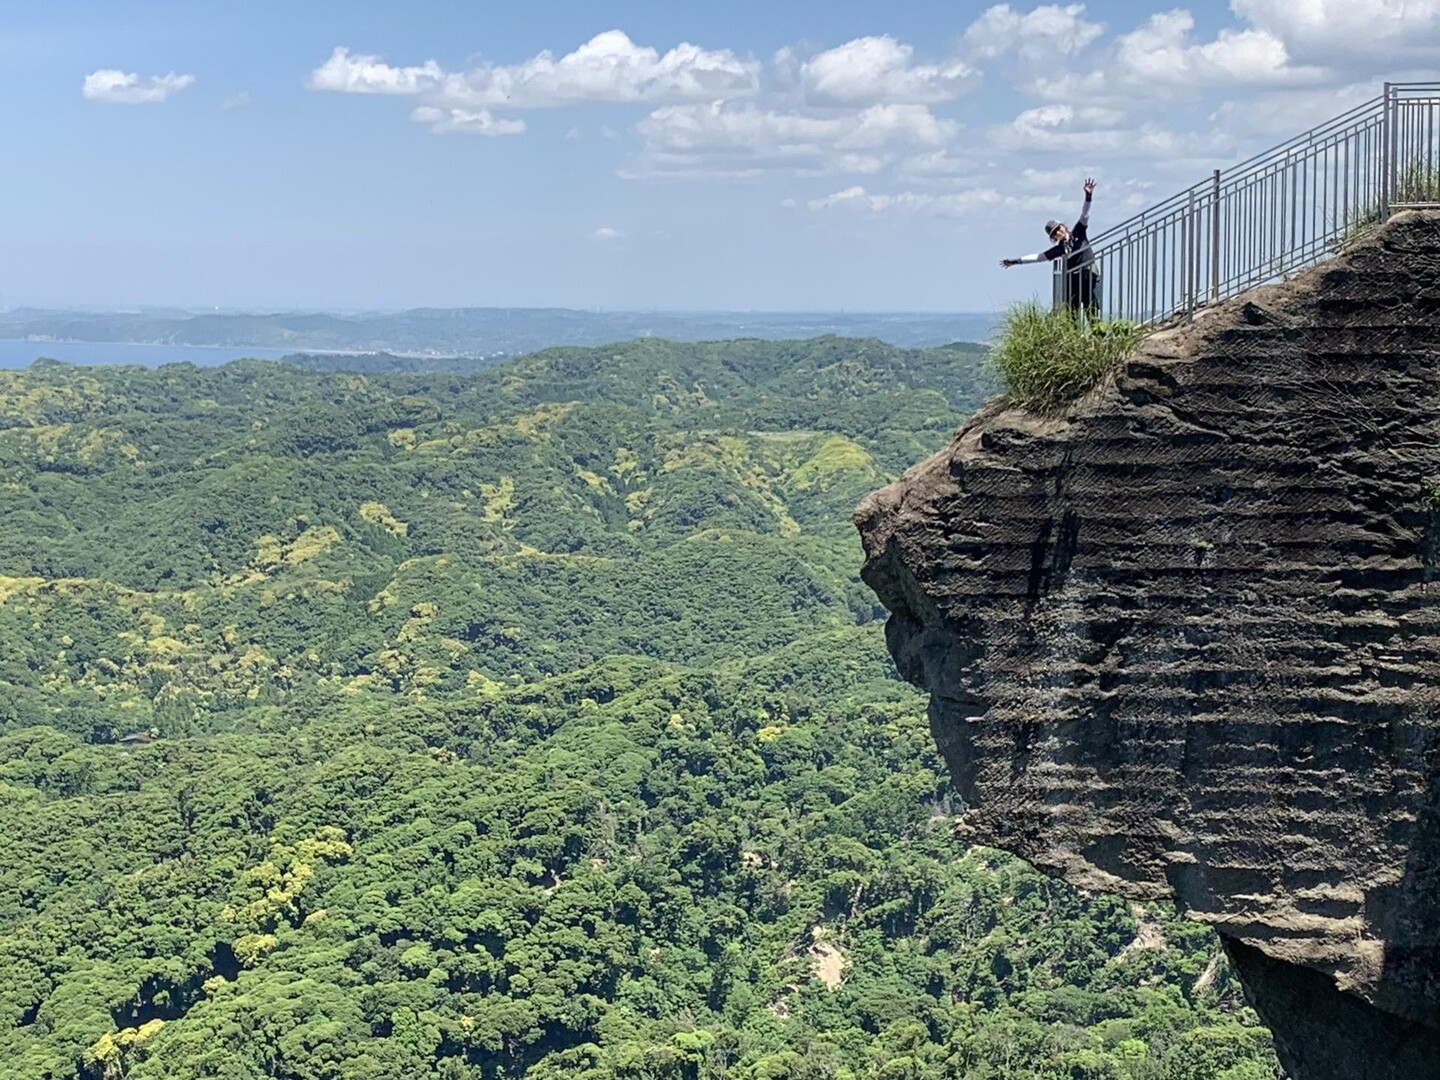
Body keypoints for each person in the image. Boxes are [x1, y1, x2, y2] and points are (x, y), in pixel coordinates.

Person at [1001, 178, 1100, 317]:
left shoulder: (1078, 232)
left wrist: (1088, 195)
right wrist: (1016, 261)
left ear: (1063, 226)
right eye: (1054, 233)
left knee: (1091, 306)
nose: (1058, 232)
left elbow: (1085, 214)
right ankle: (1076, 335)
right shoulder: (1059, 249)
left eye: (1058, 228)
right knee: (1073, 309)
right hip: (1074, 279)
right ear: (1053, 238)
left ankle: (1097, 334)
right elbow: (1038, 257)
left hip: (1088, 273)